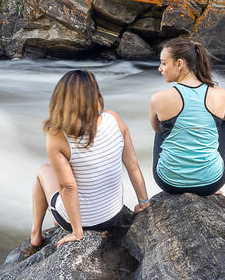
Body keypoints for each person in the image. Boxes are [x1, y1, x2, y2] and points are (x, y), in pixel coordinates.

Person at [31, 69, 150, 248]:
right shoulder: (113, 118)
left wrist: (77, 232)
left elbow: (68, 187)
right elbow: (132, 164)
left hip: (83, 223)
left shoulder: (57, 135)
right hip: (113, 215)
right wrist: (143, 202)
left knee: (43, 170)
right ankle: (59, 218)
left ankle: (35, 233)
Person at [149, 38, 225, 195]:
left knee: (162, 127)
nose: (159, 69)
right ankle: (207, 167)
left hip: (168, 183)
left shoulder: (158, 98)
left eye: (163, 63)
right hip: (211, 183)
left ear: (179, 64)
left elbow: (157, 129)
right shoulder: (220, 95)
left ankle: (176, 168)